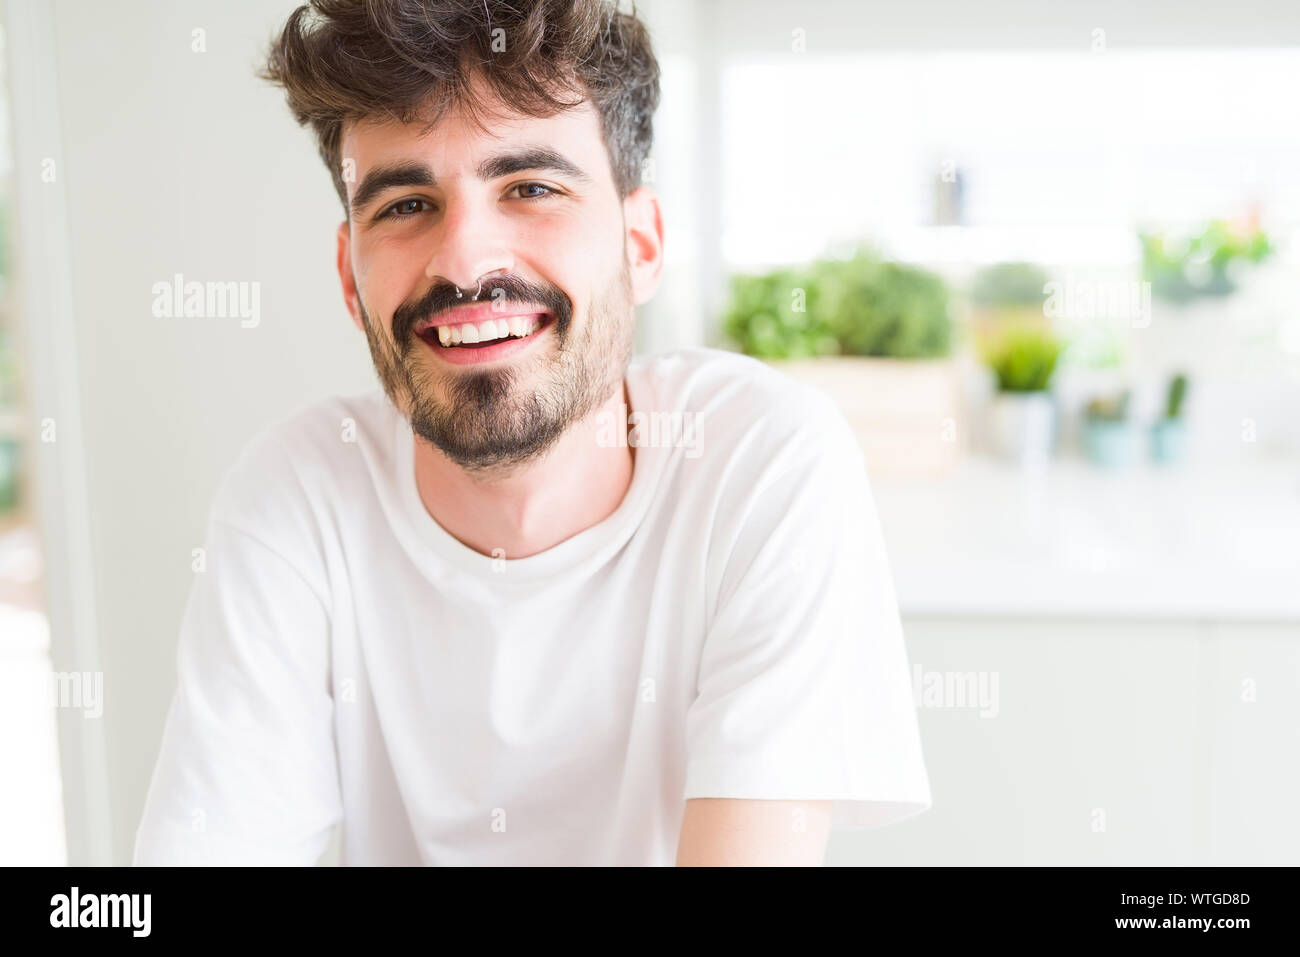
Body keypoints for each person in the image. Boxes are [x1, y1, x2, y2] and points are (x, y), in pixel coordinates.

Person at [133, 0, 931, 866]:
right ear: (349, 276)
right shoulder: (295, 499)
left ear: (642, 244)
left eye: (532, 188)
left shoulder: (763, 463)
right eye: (405, 203)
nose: (467, 262)